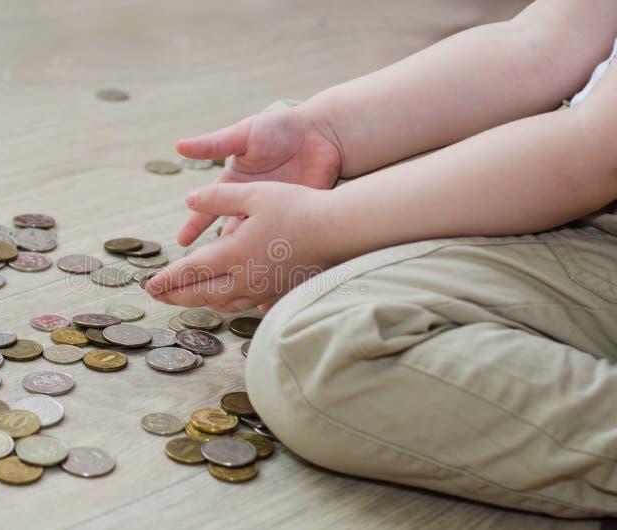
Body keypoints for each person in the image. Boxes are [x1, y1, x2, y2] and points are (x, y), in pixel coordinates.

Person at [144, 1, 617, 518]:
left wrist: (323, 226)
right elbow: (538, 42)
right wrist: (324, 131)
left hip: (591, 162)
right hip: (587, 157)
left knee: (321, 351)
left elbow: (591, 153)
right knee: (311, 167)